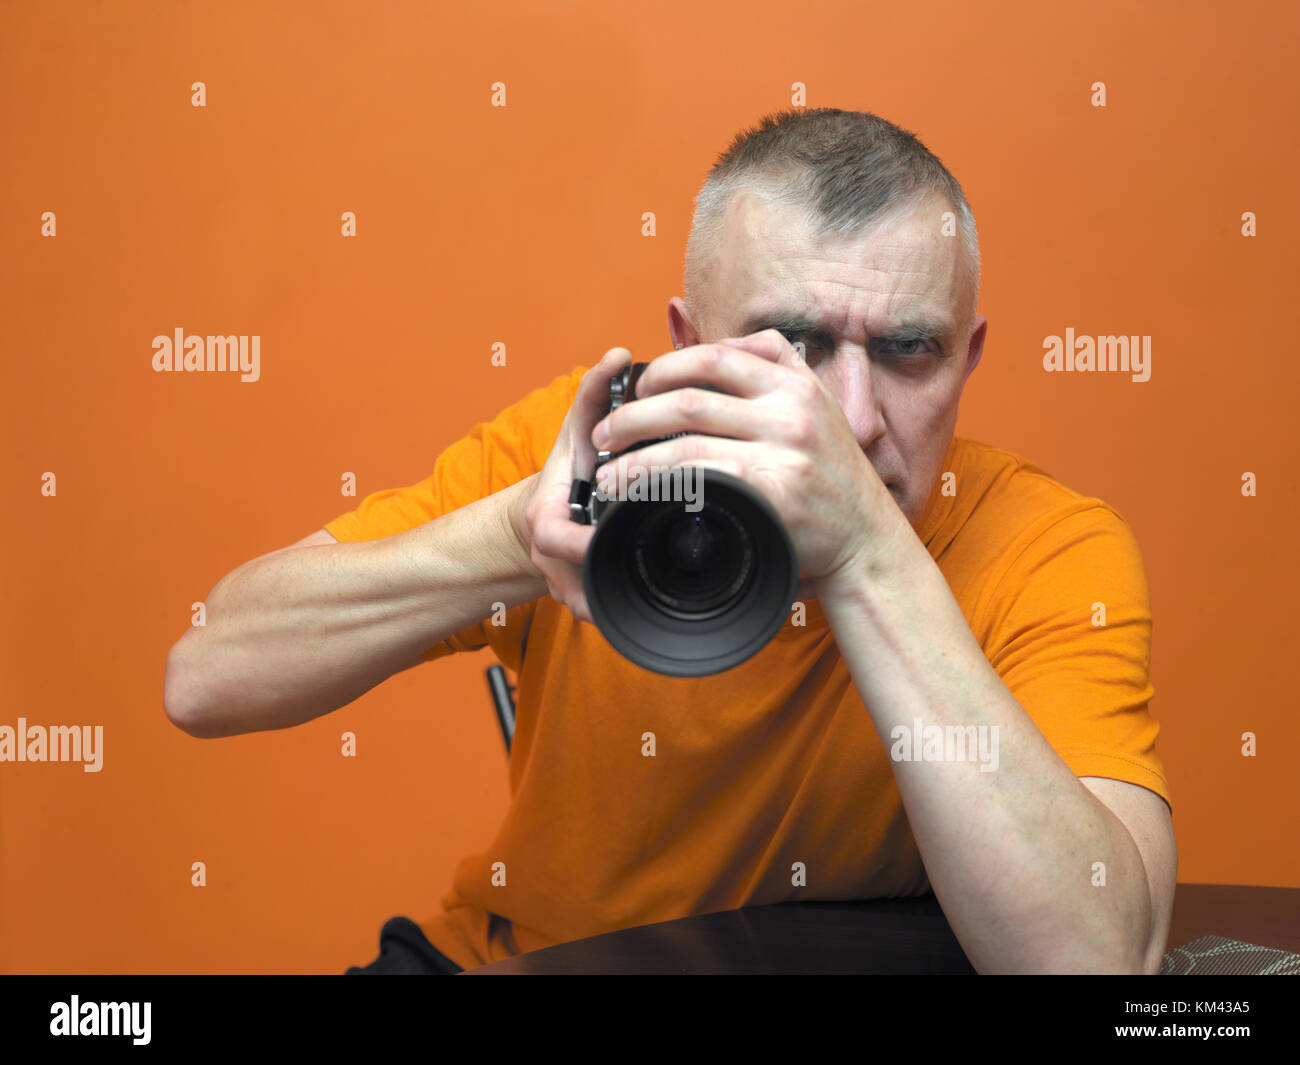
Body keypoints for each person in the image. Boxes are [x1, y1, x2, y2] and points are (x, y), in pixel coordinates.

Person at [163, 107, 1176, 975]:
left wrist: (868, 554)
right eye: (790, 346)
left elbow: (1095, 964)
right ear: (690, 347)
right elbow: (205, 679)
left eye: (910, 350)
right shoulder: (582, 450)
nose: (855, 418)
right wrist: (515, 539)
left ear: (969, 355)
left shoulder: (1046, 547)